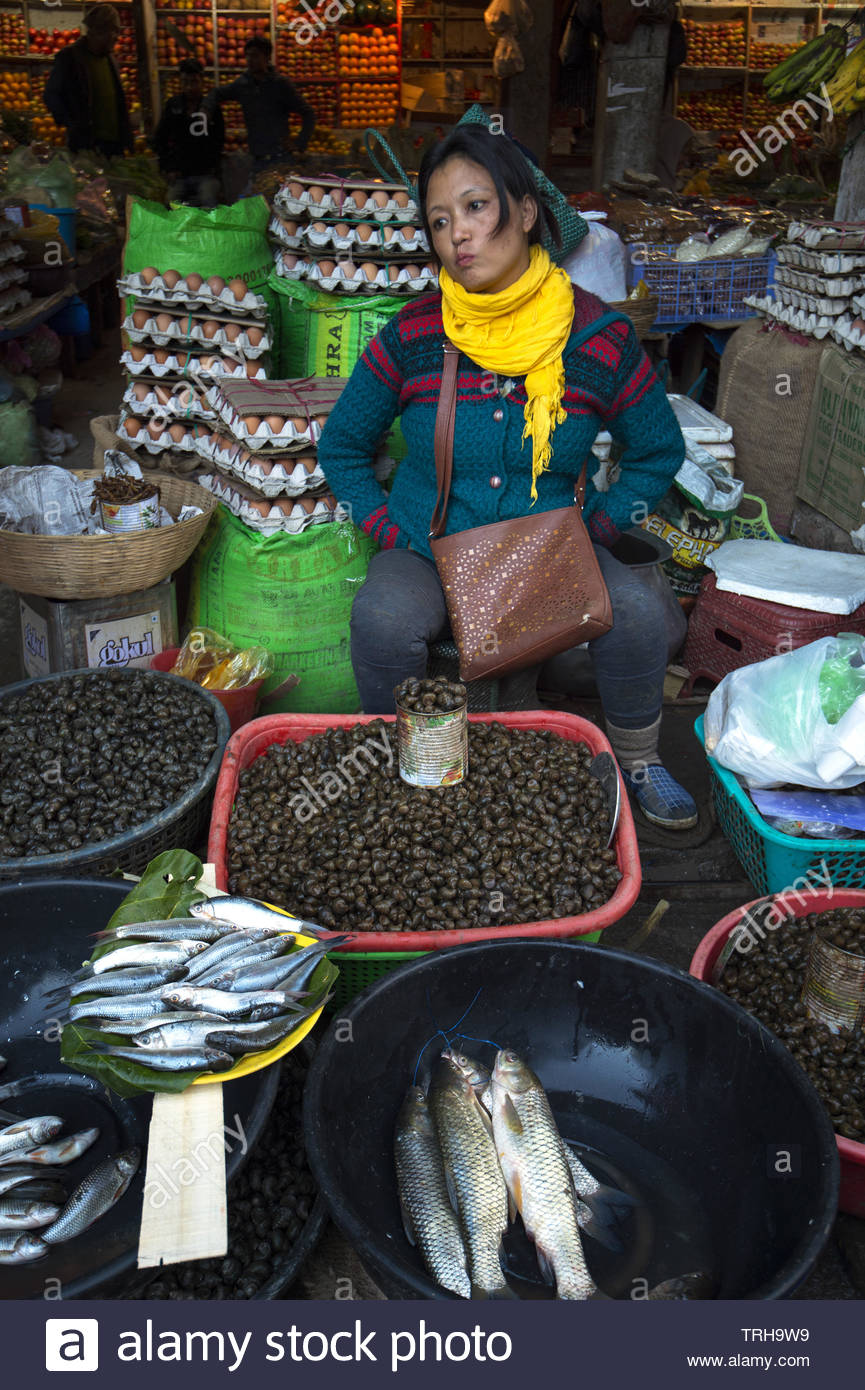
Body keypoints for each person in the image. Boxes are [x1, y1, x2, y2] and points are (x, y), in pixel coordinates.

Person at [317, 122, 698, 831]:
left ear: (523, 214)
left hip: (551, 552)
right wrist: (388, 528)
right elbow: (341, 448)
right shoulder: (411, 335)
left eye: (474, 207)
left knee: (640, 611)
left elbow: (657, 451)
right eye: (438, 220)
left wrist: (600, 528)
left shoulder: (597, 337)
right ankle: (404, 760)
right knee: (384, 617)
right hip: (431, 550)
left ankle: (639, 758)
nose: (457, 234)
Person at [212, 35, 314, 174]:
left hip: (280, 158)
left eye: (255, 56)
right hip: (258, 159)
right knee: (253, 194)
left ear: (266, 58)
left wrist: (299, 145)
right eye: (247, 56)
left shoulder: (280, 84)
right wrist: (205, 108)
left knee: (276, 194)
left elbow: (308, 113)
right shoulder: (243, 84)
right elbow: (218, 93)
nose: (249, 60)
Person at [44, 4, 133, 158]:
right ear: (98, 31)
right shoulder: (70, 57)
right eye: (113, 31)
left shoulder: (110, 58)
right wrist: (71, 123)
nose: (116, 37)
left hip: (114, 144)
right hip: (87, 144)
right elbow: (51, 95)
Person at [152, 59, 224, 208]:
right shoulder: (173, 106)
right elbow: (160, 138)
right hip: (179, 175)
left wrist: (212, 166)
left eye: (194, 82)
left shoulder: (211, 109)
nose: (189, 87)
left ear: (201, 82)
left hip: (206, 174)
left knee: (209, 203)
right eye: (185, 82)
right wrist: (168, 167)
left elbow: (219, 140)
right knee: (170, 205)